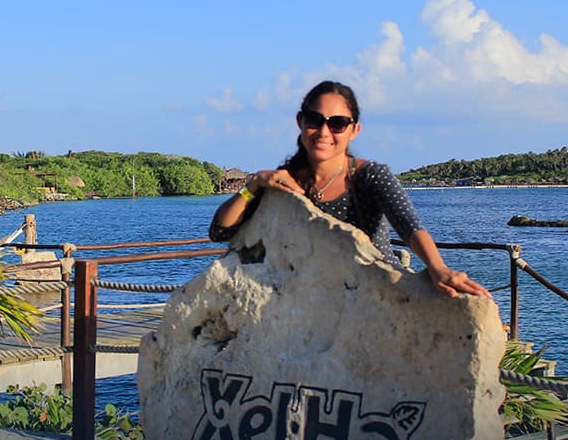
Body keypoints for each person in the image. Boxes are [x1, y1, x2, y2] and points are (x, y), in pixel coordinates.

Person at [210, 80, 491, 299]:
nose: (324, 132)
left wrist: (437, 268)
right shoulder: (283, 181)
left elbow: (408, 226)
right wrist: (253, 185)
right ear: (300, 122)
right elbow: (220, 232)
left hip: (374, 292)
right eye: (314, 120)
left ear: (353, 130)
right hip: (312, 298)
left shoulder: (370, 176)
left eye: (337, 123)